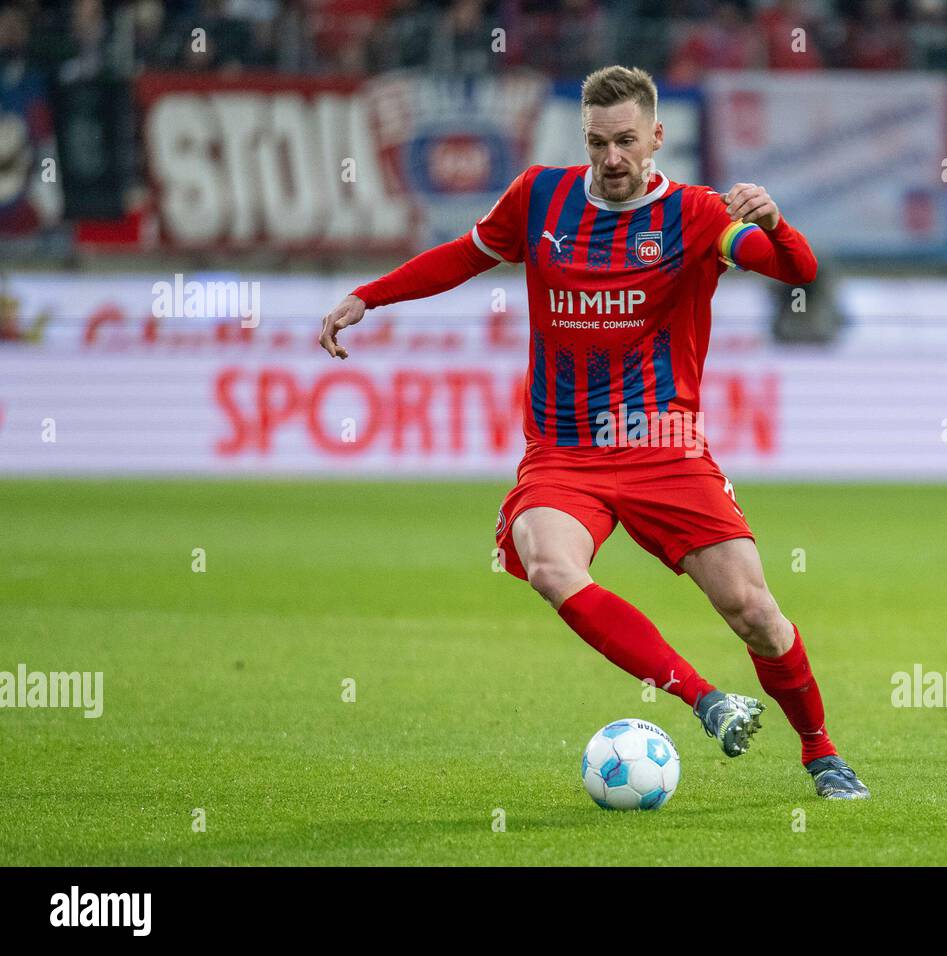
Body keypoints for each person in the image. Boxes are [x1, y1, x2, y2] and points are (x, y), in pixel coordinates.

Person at [319, 65, 869, 799]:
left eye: (627, 142)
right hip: (565, 453)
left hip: (664, 447)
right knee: (549, 565)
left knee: (755, 614)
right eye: (598, 142)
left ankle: (820, 751)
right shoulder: (538, 197)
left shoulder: (699, 215)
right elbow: (464, 255)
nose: (612, 158)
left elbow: (797, 271)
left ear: (656, 140)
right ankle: (705, 700)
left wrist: (774, 221)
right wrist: (368, 296)